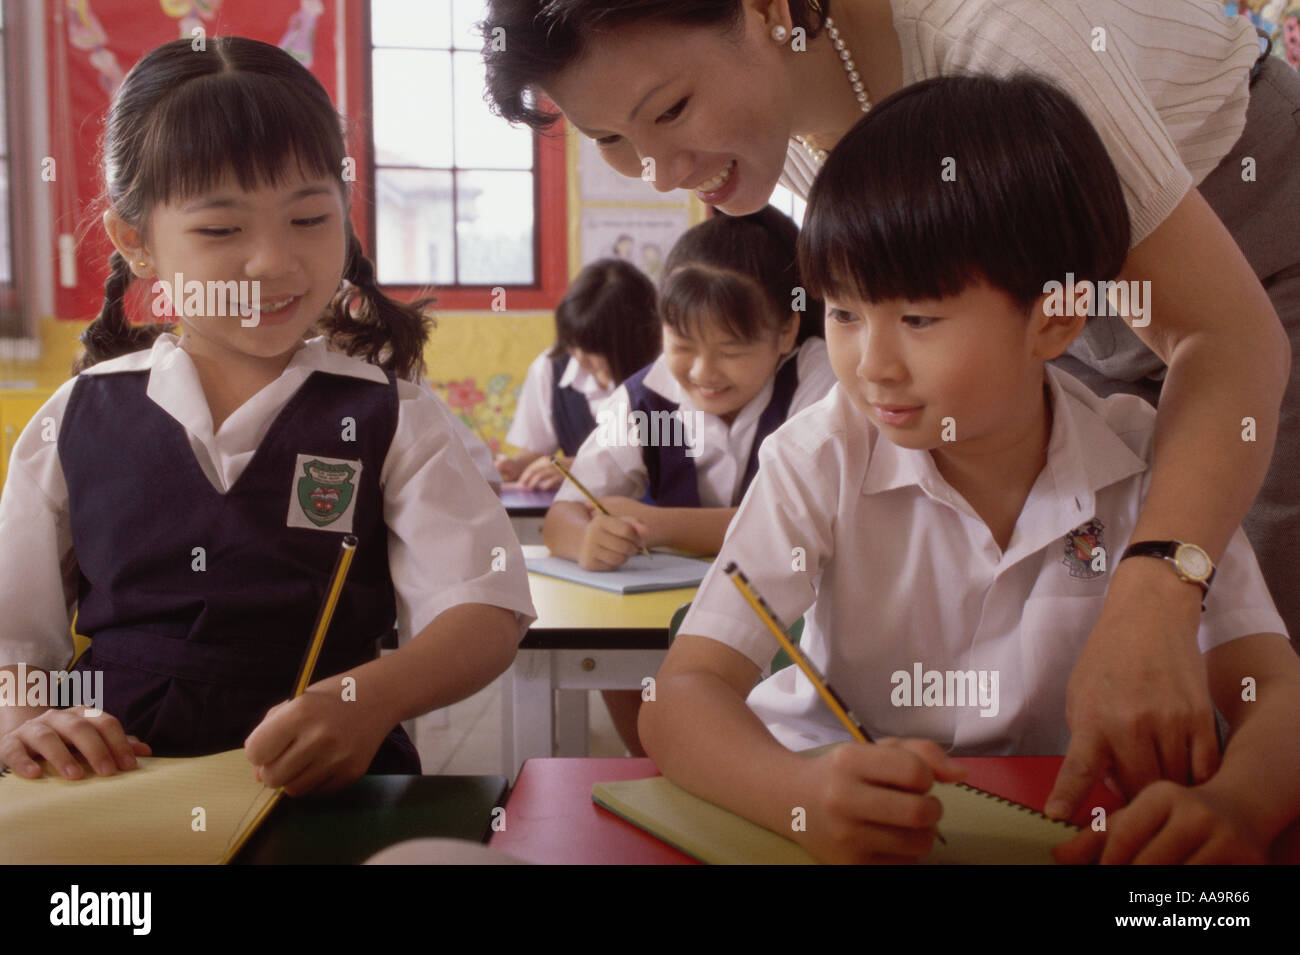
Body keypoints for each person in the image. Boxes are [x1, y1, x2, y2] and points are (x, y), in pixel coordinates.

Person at [482, 0, 1299, 822]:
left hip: (1241, 232)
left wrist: (1232, 791)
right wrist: (796, 795)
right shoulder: (828, 448)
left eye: (668, 110)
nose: (659, 170)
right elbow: (685, 691)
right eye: (612, 140)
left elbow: (1227, 343)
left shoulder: (1007, 45)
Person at [0, 37, 536, 795]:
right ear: (135, 240)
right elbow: (13, 636)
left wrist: (370, 696)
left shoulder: (392, 417)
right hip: (114, 793)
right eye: (221, 230)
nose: (274, 262)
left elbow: (484, 607)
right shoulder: (77, 418)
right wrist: (24, 718)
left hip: (328, 792)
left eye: (310, 218)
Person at [544, 206, 836, 755]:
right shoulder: (642, 399)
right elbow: (563, 513)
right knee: (661, 740)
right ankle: (660, 770)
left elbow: (787, 527)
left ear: (787, 331)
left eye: (731, 349)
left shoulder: (818, 381)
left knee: (775, 751)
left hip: (795, 622)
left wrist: (657, 525)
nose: (703, 372)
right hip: (666, 623)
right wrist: (585, 537)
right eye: (682, 345)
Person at [496, 258, 660, 490]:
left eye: (593, 348)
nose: (580, 358)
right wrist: (515, 465)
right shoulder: (550, 369)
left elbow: (675, 466)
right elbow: (536, 451)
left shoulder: (664, 375)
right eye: (573, 343)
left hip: (650, 516)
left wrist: (585, 469)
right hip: (577, 514)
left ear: (633, 342)